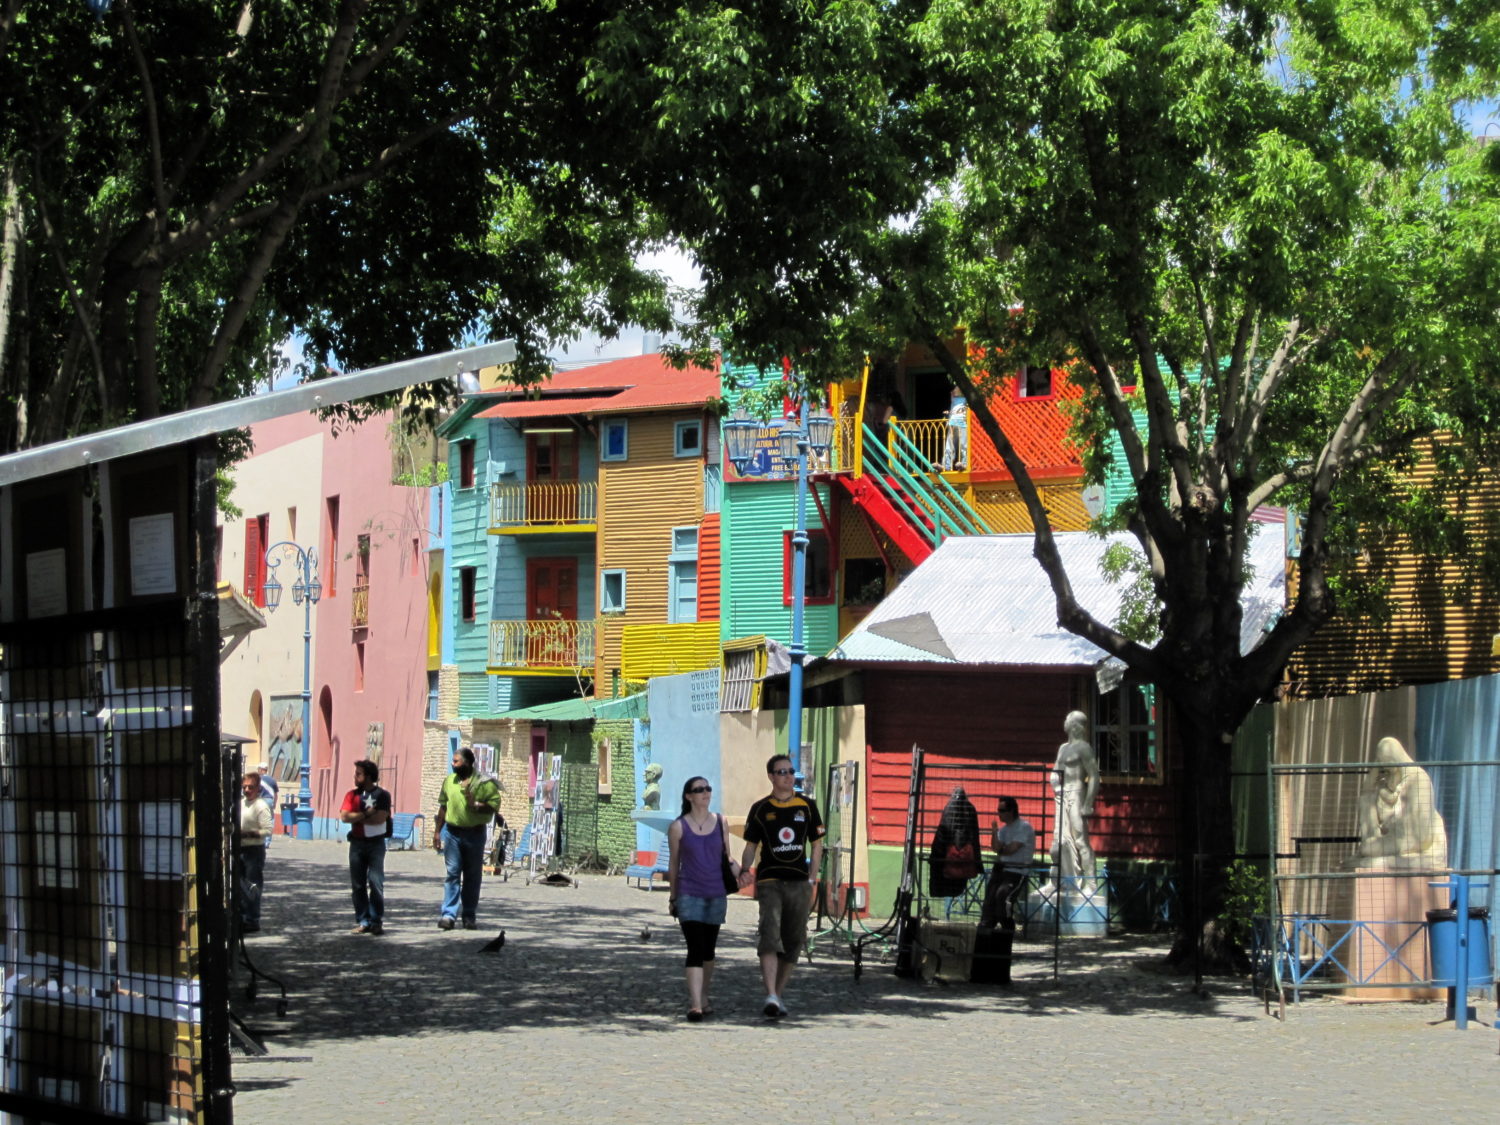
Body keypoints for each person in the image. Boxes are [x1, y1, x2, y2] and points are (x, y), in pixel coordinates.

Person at [739, 754, 825, 1018]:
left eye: (791, 771)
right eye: (782, 772)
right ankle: (771, 993)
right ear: (771, 777)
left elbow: (818, 843)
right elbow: (751, 846)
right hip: (769, 880)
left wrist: (812, 877)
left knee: (794, 939)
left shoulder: (807, 806)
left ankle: (776, 993)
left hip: (799, 881)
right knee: (769, 933)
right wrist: (745, 870)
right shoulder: (760, 808)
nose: (788, 776)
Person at [667, 776, 741, 1022]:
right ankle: (696, 1004)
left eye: (708, 788)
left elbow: (726, 857)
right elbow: (674, 863)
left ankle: (704, 994)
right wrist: (673, 896)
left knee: (709, 950)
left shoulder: (721, 822)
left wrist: (740, 871)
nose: (706, 793)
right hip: (689, 894)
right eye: (700, 790)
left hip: (715, 893)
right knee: (695, 948)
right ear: (689, 796)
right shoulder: (679, 827)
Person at [432, 746, 501, 930]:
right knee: (452, 873)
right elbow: (443, 806)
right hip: (453, 833)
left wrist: (476, 805)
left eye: (456, 761)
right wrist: (438, 831)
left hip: (475, 833)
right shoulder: (449, 781)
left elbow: (494, 806)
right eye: (452, 761)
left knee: (472, 875)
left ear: (468, 763)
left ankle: (469, 915)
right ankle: (448, 915)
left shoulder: (484, 783)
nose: (452, 764)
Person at [1046, 710, 1100, 895]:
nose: (1065, 721)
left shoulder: (1084, 747)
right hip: (1061, 795)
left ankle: (1091, 884)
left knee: (1080, 840)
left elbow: (1094, 776)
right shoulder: (1063, 748)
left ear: (1076, 726)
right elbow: (1056, 770)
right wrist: (1054, 781)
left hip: (1077, 794)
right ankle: (1060, 881)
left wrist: (1088, 802)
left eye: (1068, 719)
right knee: (1059, 839)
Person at [339, 759, 391, 934]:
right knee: (358, 884)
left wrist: (358, 817)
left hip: (376, 843)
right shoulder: (351, 795)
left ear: (368, 776)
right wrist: (364, 814)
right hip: (357, 843)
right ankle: (363, 919)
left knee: (375, 882)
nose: (355, 776)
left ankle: (376, 920)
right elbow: (345, 817)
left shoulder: (382, 795)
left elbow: (380, 818)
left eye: (359, 774)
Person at [980, 796, 1036, 932]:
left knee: (1002, 896)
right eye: (998, 810)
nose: (999, 813)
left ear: (1011, 811)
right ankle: (987, 931)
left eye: (1002, 810)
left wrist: (1001, 849)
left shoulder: (1023, 827)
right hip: (1002, 869)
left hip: (1017, 871)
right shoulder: (1003, 830)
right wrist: (994, 832)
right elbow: (996, 848)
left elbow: (1011, 850)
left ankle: (1008, 929)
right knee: (990, 901)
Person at [235, 771, 273, 933]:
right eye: (244, 787)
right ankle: (242, 916)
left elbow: (268, 830)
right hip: (239, 848)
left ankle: (252, 918)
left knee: (253, 885)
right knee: (241, 884)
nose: (247, 790)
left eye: (251, 787)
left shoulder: (261, 806)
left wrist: (248, 834)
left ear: (258, 788)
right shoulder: (241, 803)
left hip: (254, 850)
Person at [942, 386, 968, 471]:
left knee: (963, 445)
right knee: (949, 445)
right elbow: (952, 410)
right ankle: (946, 465)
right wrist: (947, 417)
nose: (953, 391)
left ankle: (964, 464)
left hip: (962, 423)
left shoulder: (966, 398)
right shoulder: (953, 398)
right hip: (952, 422)